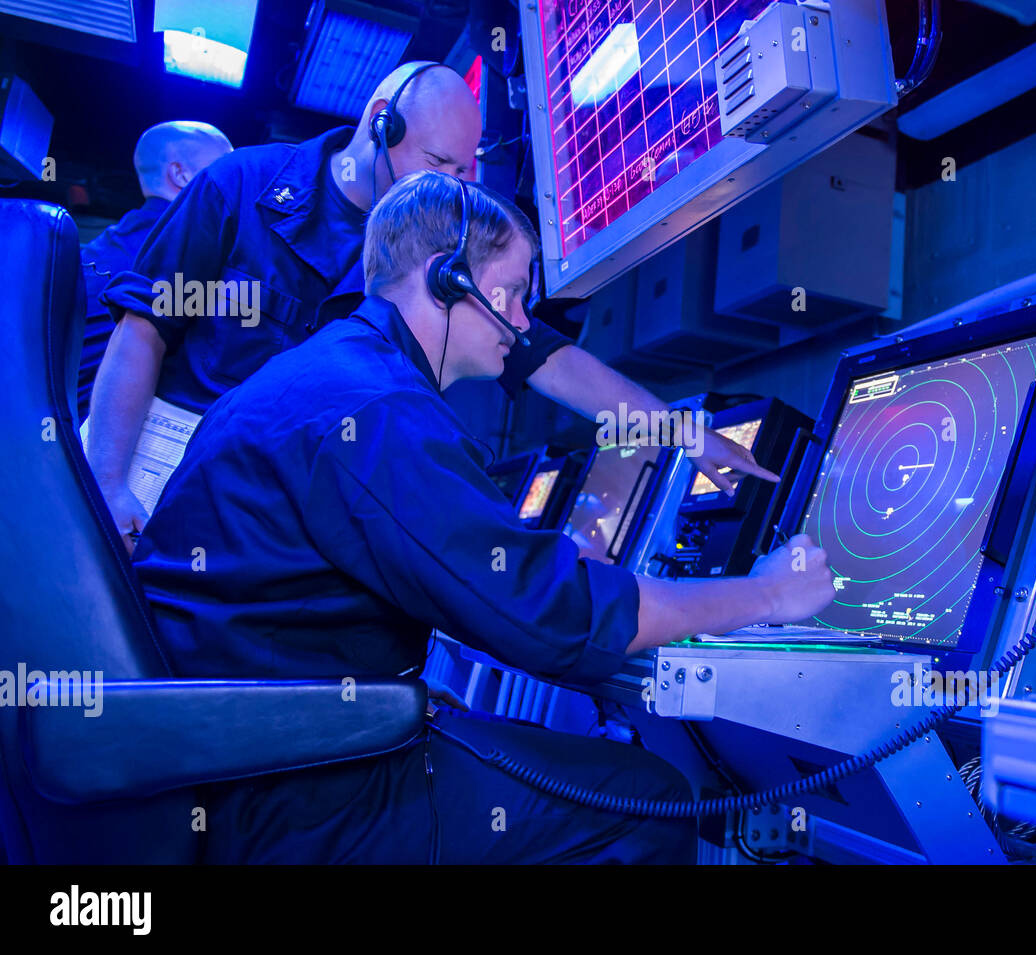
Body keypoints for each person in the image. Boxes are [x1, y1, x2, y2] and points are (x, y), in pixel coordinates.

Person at [130, 171, 835, 864]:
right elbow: (553, 618)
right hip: (292, 801)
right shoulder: (381, 411)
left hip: (231, 763)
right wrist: (770, 593)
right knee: (643, 798)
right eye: (517, 295)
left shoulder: (330, 371)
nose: (524, 325)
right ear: (449, 281)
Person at [87, 61, 775, 553]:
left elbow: (540, 355)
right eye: (439, 163)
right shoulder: (239, 185)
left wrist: (679, 433)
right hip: (171, 449)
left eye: (465, 170)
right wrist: (110, 481)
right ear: (378, 127)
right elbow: (141, 334)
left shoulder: (430, 242)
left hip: (292, 479)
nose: (454, 186)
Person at [77, 121, 232, 420]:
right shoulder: (197, 250)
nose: (237, 182)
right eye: (225, 168)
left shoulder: (99, 248)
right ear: (180, 174)